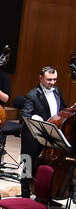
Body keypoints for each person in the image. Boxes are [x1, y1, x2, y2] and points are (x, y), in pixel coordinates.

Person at [18, 65, 65, 199]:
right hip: (33, 137)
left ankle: (43, 196)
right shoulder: (32, 95)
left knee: (44, 167)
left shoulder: (57, 92)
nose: (52, 83)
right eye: (49, 80)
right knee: (28, 165)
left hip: (50, 135)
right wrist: (35, 118)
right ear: (41, 78)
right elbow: (25, 115)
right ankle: (25, 196)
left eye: (55, 79)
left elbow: (63, 108)